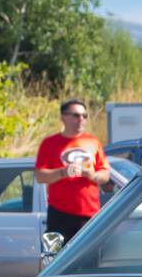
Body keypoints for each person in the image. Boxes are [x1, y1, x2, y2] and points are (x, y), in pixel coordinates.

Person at [34, 98, 110, 244]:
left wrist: (92, 175)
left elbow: (105, 175)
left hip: (90, 214)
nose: (81, 119)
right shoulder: (50, 143)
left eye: (84, 116)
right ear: (63, 118)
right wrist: (63, 172)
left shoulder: (93, 142)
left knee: (90, 261)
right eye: (76, 115)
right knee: (58, 260)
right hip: (60, 214)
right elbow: (40, 176)